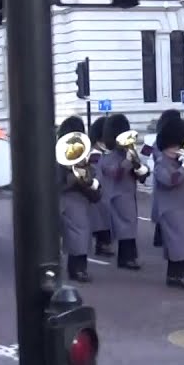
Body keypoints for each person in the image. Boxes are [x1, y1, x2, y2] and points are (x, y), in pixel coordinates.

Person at [152, 115, 184, 288]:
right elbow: (171, 181)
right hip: (170, 210)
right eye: (173, 147)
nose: (176, 150)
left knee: (183, 242)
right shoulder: (161, 164)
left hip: (182, 207)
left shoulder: (175, 160)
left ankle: (177, 274)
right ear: (166, 147)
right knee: (177, 243)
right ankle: (177, 275)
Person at [101, 113, 148, 270]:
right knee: (125, 227)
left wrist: (138, 166)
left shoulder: (128, 153)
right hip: (117, 196)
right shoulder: (107, 157)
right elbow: (116, 173)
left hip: (128, 194)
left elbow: (140, 176)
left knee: (130, 226)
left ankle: (128, 256)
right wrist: (128, 161)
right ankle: (126, 258)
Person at [56, 116, 99, 283]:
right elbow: (58, 182)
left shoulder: (81, 151)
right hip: (67, 199)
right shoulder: (59, 154)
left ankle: (78, 267)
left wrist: (87, 176)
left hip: (81, 199)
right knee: (76, 235)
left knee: (82, 234)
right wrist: (74, 177)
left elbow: (89, 171)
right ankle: (76, 269)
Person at [86, 117, 114, 258]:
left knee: (105, 219)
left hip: (106, 191)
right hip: (98, 191)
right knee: (100, 219)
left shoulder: (102, 153)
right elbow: (95, 171)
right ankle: (101, 245)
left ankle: (103, 243)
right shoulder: (94, 154)